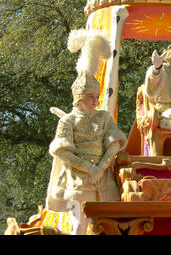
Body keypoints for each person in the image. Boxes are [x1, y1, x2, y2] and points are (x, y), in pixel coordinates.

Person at [45, 29, 127, 235]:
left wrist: (100, 167)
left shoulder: (104, 118)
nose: (95, 101)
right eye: (91, 97)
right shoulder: (68, 120)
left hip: (103, 181)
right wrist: (89, 169)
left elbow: (115, 144)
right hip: (77, 181)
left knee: (102, 227)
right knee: (78, 226)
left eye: (97, 96)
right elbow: (62, 152)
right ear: (80, 97)